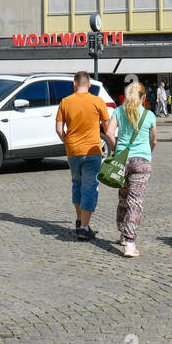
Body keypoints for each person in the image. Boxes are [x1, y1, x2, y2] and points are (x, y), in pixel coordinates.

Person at [55, 71, 116, 241]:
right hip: (93, 151)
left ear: (74, 84)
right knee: (89, 187)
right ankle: (84, 227)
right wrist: (113, 147)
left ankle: (80, 220)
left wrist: (67, 142)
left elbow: (59, 129)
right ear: (89, 85)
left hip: (73, 151)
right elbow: (108, 129)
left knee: (77, 184)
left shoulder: (65, 102)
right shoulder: (97, 101)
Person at [110, 82, 157, 258]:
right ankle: (130, 243)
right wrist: (148, 153)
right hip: (141, 161)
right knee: (135, 201)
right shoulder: (149, 115)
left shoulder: (118, 111)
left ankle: (122, 234)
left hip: (122, 161)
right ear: (143, 97)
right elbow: (154, 140)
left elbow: (108, 132)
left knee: (123, 198)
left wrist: (116, 150)